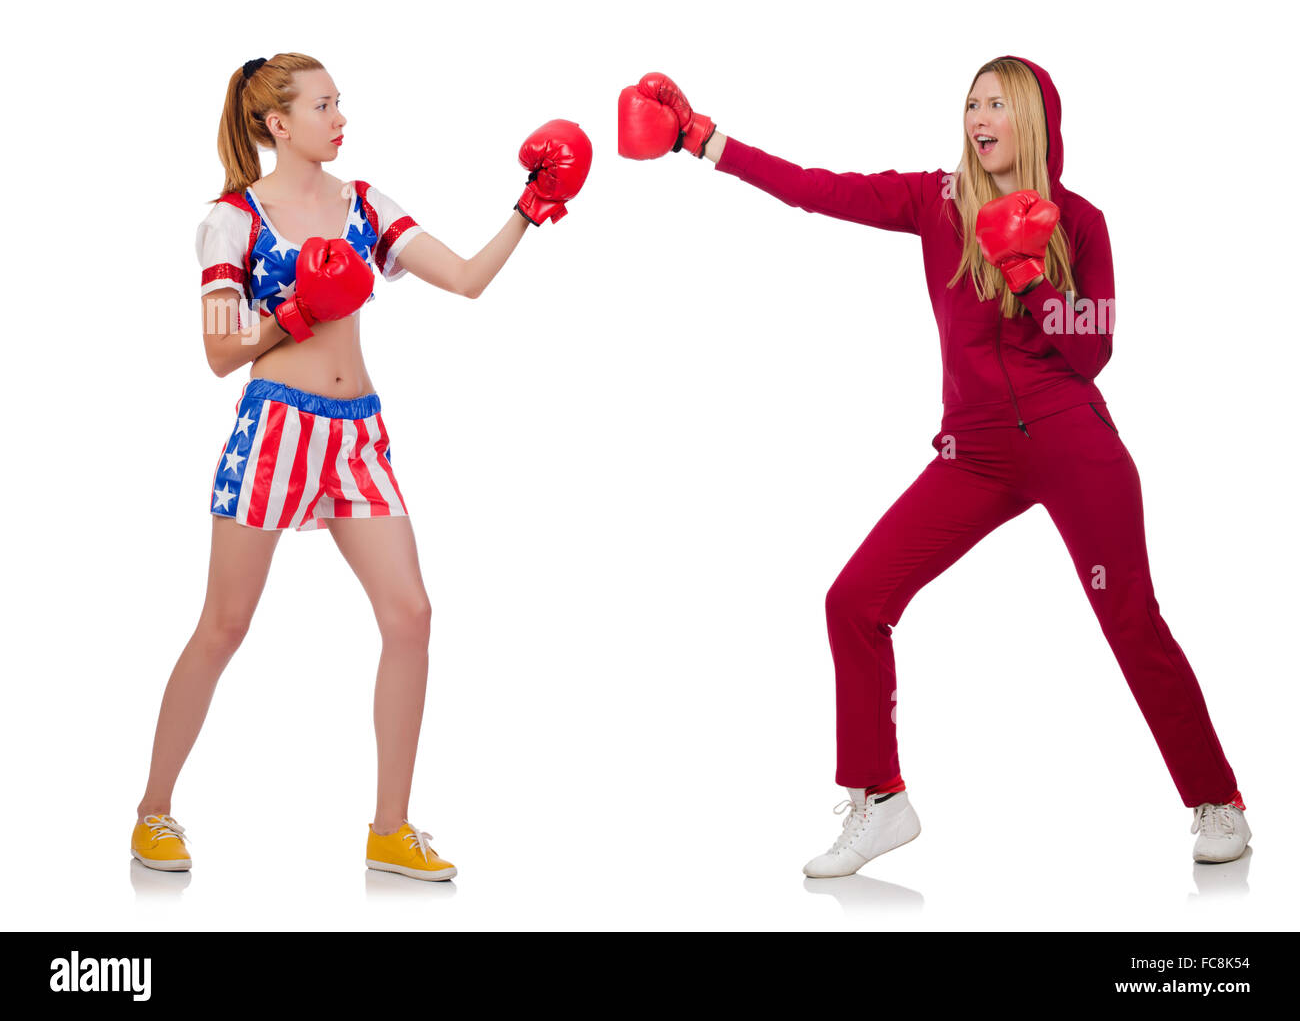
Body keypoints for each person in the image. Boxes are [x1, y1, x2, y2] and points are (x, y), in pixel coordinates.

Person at [617, 57, 1250, 875]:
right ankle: (880, 799)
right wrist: (704, 142)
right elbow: (816, 187)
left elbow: (1093, 351)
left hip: (1071, 437)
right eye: (971, 103)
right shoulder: (934, 200)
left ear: (1031, 121)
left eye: (996, 103)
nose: (979, 116)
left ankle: (1217, 801)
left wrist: (1028, 272)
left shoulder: (1081, 222)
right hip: (976, 450)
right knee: (855, 599)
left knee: (1130, 620)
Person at [130, 53, 591, 881]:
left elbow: (466, 280)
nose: (340, 119)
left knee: (410, 615)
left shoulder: (365, 205)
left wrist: (529, 208)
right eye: (323, 106)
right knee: (224, 626)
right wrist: (301, 310)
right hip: (274, 432)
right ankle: (153, 811)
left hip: (356, 436)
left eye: (340, 103)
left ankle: (389, 829)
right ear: (278, 123)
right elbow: (217, 353)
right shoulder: (233, 221)